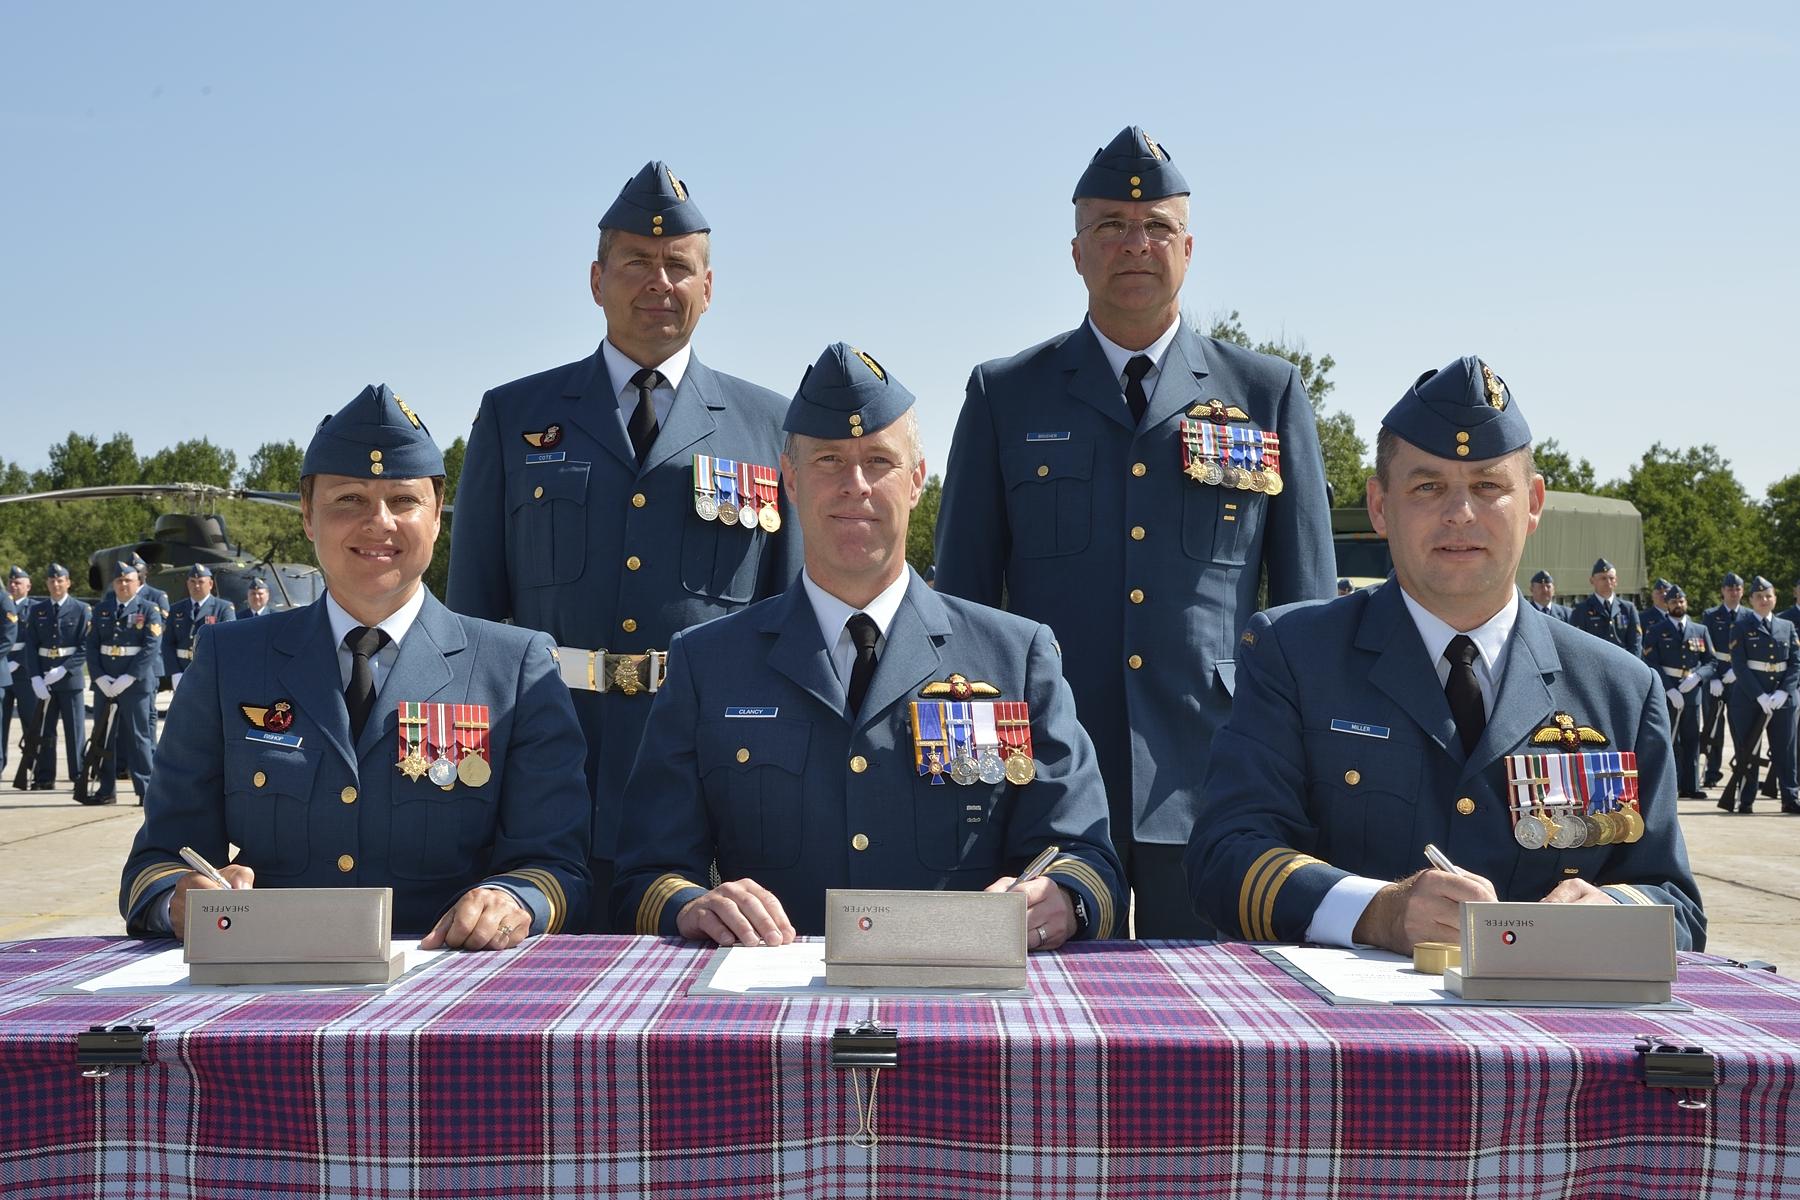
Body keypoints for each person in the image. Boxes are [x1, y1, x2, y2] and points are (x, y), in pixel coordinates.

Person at [934, 126, 1333, 937]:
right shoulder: (1007, 395)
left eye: (1155, 226)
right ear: (1076, 253)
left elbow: (1306, 613)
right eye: (1111, 226)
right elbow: (963, 612)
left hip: (1218, 773)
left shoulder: (1266, 395)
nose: (1135, 244)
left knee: (1217, 1025)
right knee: (1048, 1030)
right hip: (1046, 770)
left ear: (1188, 248)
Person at [1184, 356, 1705, 952]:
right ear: (1380, 506)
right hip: (1345, 1038)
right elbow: (1224, 860)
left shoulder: (1619, 690)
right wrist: (1375, 912)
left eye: (1488, 486)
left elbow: (1676, 905)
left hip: (1550, 1035)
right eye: (1428, 486)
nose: (1460, 513)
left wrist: (1609, 911)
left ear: (1533, 503)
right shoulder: (1293, 656)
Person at [613, 344, 1127, 947]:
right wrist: (693, 904)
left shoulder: (1016, 657)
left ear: (915, 481)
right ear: (791, 480)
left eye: (878, 460)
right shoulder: (708, 664)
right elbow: (646, 872)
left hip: (964, 1006)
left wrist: (1062, 896)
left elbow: (1085, 855)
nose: (855, 485)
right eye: (829, 460)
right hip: (769, 1012)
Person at [448, 161, 800, 930]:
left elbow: (791, 621)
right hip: (548, 759)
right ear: (596, 279)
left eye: (680, 266)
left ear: (709, 288)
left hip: (709, 772)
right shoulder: (514, 417)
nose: (659, 281)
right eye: (637, 262)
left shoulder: (771, 426)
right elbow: (470, 623)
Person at [121, 385, 592, 948]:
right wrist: (181, 896)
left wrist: (515, 900)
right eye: (348, 500)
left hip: (444, 988)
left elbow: (557, 866)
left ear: (438, 516)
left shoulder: (514, 668)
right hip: (270, 985)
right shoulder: (230, 662)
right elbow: (157, 861)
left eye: (403, 500)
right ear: (307, 516)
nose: (380, 523)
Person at [81, 560, 163, 806]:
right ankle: (106, 790)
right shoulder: (102, 610)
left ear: (138, 582)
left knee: (139, 738)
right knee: (104, 737)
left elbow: (151, 646)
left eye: (128, 580)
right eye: (119, 580)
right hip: (106, 683)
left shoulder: (149, 609)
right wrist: (99, 677)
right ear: (113, 584)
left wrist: (129, 677)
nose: (123, 584)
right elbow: (92, 646)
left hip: (135, 684)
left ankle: (146, 790)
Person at [1724, 576, 1799, 814]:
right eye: (1759, 597)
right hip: (1748, 698)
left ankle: (1790, 796)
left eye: (1768, 596)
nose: (1764, 600)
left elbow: (1796, 663)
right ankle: (1746, 798)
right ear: (1751, 600)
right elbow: (1739, 664)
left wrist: (1783, 692)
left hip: (1782, 698)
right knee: (1748, 749)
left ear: (1775, 598)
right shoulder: (1741, 625)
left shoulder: (1787, 627)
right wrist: (1759, 695)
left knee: (1786, 750)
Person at [1640, 584, 1716, 798]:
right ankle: (1669, 786)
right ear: (1667, 604)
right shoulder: (1656, 630)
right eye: (1673, 601)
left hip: (1692, 692)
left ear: (1686, 602)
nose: (1678, 604)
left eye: (1681, 601)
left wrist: (1698, 676)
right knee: (1670, 740)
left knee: (1692, 739)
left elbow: (1711, 661)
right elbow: (1651, 661)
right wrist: (1668, 688)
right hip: (1668, 692)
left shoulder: (1700, 630)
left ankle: (1691, 786)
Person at [21, 563, 91, 790]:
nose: (56, 584)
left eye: (60, 580)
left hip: (69, 679)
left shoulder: (81, 609)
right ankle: (44, 777)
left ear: (68, 582)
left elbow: (85, 646)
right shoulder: (38, 610)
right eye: (52, 581)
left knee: (75, 731)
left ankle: (78, 774)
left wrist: (64, 669)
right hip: (44, 680)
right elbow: (30, 646)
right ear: (47, 584)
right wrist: (35, 678)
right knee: (45, 732)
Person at [1701, 572, 1746, 788]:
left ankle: (1742, 768)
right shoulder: (1710, 615)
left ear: (1742, 591)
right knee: (1714, 729)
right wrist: (1715, 678)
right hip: (1717, 678)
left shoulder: (1748, 616)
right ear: (1723, 591)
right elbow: (1708, 651)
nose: (1733, 592)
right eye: (1729, 589)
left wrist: (1738, 670)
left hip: (1740, 680)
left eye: (1737, 589)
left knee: (1740, 728)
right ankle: (1712, 771)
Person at [163, 563, 236, 686]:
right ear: (187, 584)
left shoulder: (223, 608)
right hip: (182, 670)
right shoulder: (176, 609)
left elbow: (228, 642)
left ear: (210, 584)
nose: (196, 586)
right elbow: (167, 643)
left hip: (210, 670)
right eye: (192, 581)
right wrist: (174, 672)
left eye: (201, 582)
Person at [1568, 557, 1641, 655]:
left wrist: (1633, 667)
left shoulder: (1628, 609)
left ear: (1616, 581)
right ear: (1592, 581)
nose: (1608, 582)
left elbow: (1636, 643)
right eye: (1603, 578)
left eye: (1611, 578)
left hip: (1623, 664)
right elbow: (1576, 643)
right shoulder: (1581, 609)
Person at [1639, 578, 1672, 644]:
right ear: (1652, 596)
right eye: (1660, 592)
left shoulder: (1680, 618)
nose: (1664, 595)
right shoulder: (1642, 618)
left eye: (1667, 592)